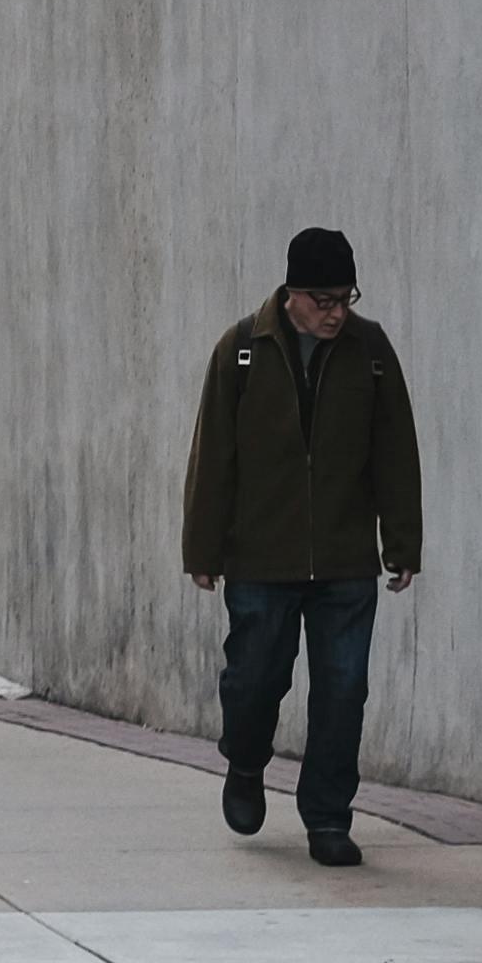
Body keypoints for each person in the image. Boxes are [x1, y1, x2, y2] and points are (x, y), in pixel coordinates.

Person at [182, 225, 425, 867]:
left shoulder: (370, 351)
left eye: (345, 298)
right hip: (261, 558)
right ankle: (245, 760)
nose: (337, 312)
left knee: (344, 690)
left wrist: (402, 542)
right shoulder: (240, 351)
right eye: (324, 300)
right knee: (255, 678)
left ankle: (327, 819)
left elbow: (395, 451)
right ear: (291, 293)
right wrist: (203, 550)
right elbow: (214, 457)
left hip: (345, 561)